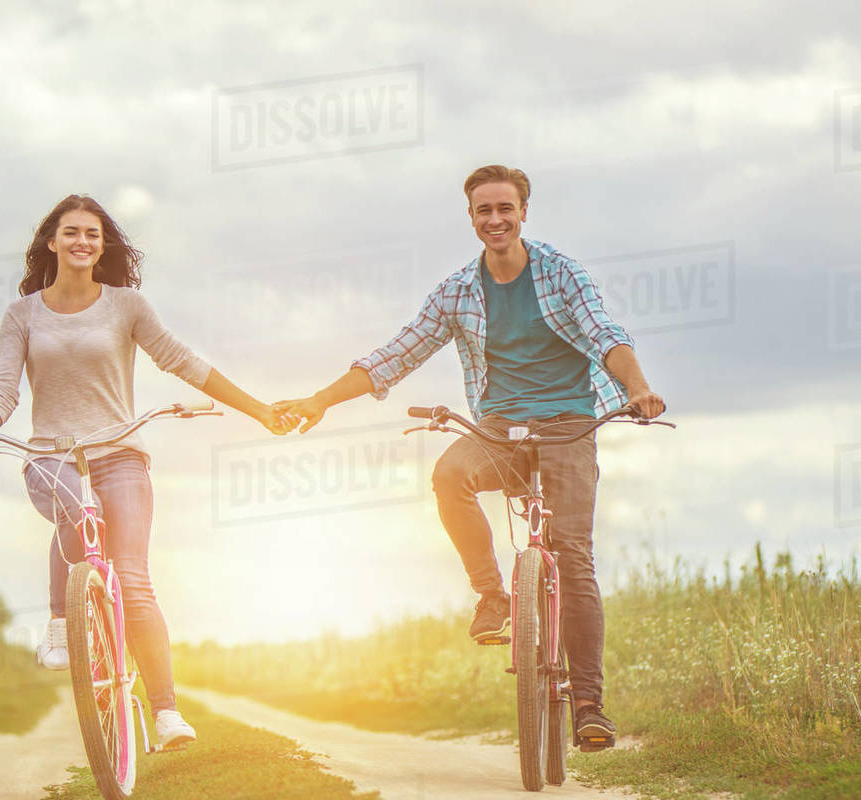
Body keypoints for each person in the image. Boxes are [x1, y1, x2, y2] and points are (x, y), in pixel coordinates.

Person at [273, 165, 665, 748]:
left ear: (524, 212)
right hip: (499, 428)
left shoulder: (562, 274)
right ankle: (493, 597)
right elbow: (395, 355)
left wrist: (636, 388)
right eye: (484, 211)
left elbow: (606, 333)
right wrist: (322, 400)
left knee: (573, 555)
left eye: (505, 208)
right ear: (471, 218)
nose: (495, 220)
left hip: (568, 424)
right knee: (449, 474)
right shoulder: (458, 291)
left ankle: (588, 705)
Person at [0, 194, 293, 748]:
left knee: (133, 581)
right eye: (71, 233)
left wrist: (257, 408)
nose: (82, 242)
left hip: (120, 453)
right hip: (51, 453)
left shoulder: (126, 305)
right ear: (51, 242)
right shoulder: (23, 314)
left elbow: (181, 359)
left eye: (92, 234)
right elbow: (4, 386)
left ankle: (165, 714)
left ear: (102, 244)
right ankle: (62, 623)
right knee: (72, 507)